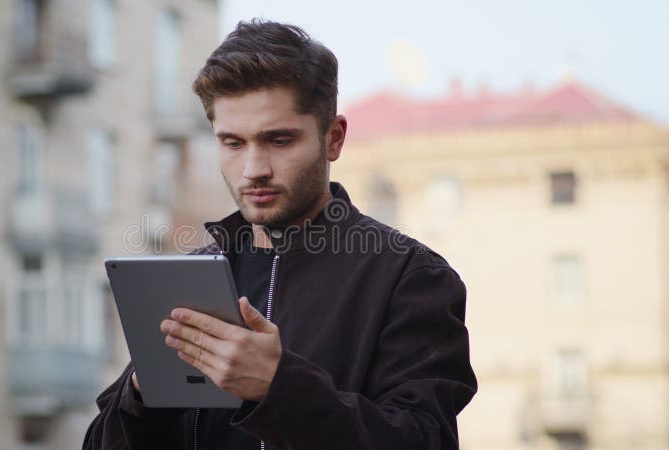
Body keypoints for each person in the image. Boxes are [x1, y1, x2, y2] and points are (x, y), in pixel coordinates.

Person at [83, 19, 477, 450]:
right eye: (233, 143)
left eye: (280, 140)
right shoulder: (193, 273)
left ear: (334, 139)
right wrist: (144, 391)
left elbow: (424, 441)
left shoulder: (411, 278)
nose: (254, 169)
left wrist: (279, 387)